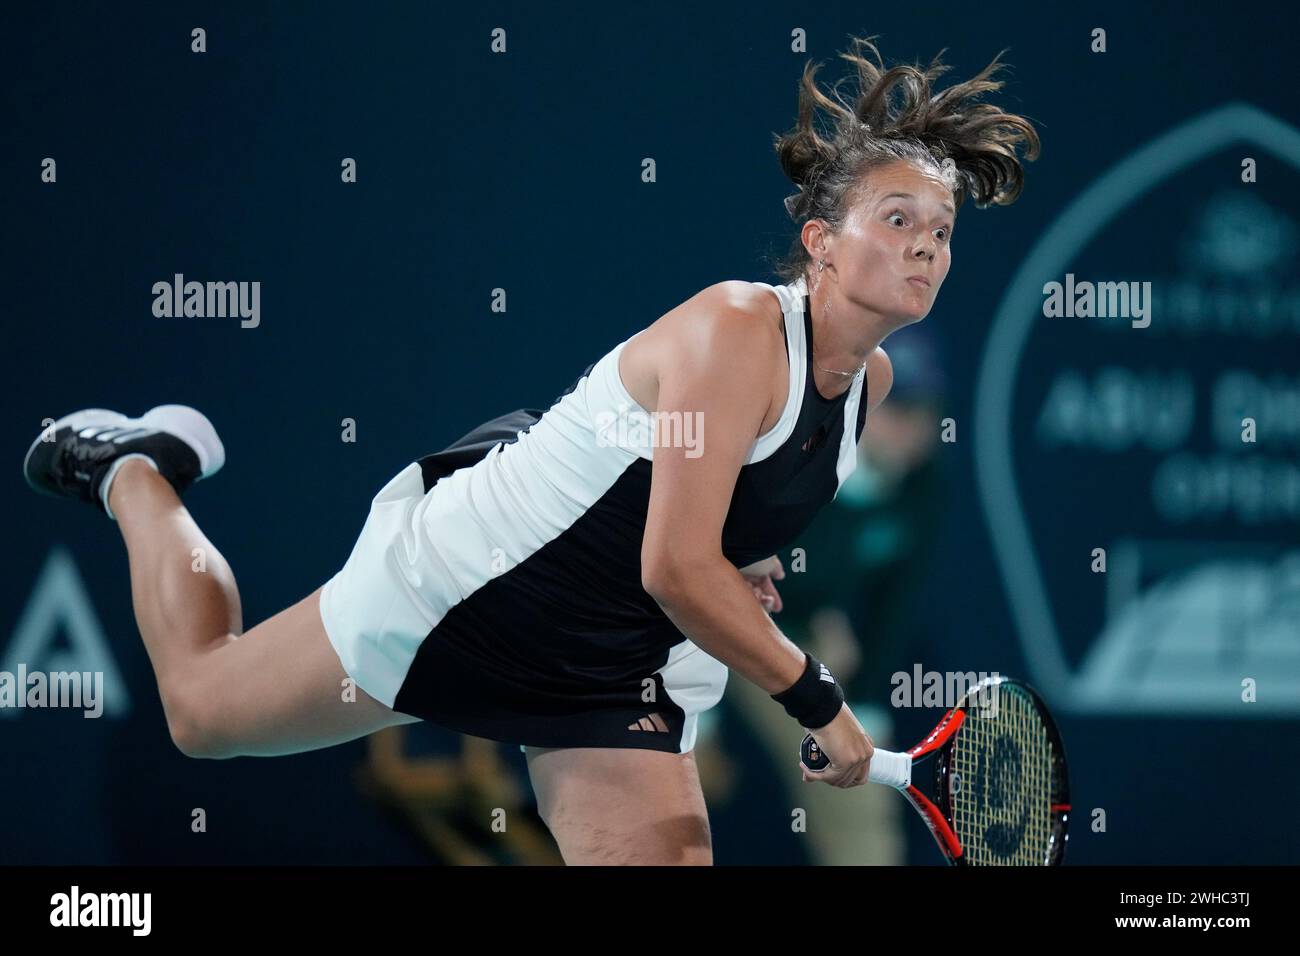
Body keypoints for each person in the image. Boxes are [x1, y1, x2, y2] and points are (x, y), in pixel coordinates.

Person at [21, 34, 1038, 865]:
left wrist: (742, 558)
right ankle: (135, 471)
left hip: (614, 667)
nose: (923, 245)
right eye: (896, 218)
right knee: (201, 708)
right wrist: (820, 702)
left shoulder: (873, 386)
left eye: (940, 231)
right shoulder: (737, 329)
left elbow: (705, 535)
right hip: (475, 586)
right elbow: (675, 566)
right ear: (820, 242)